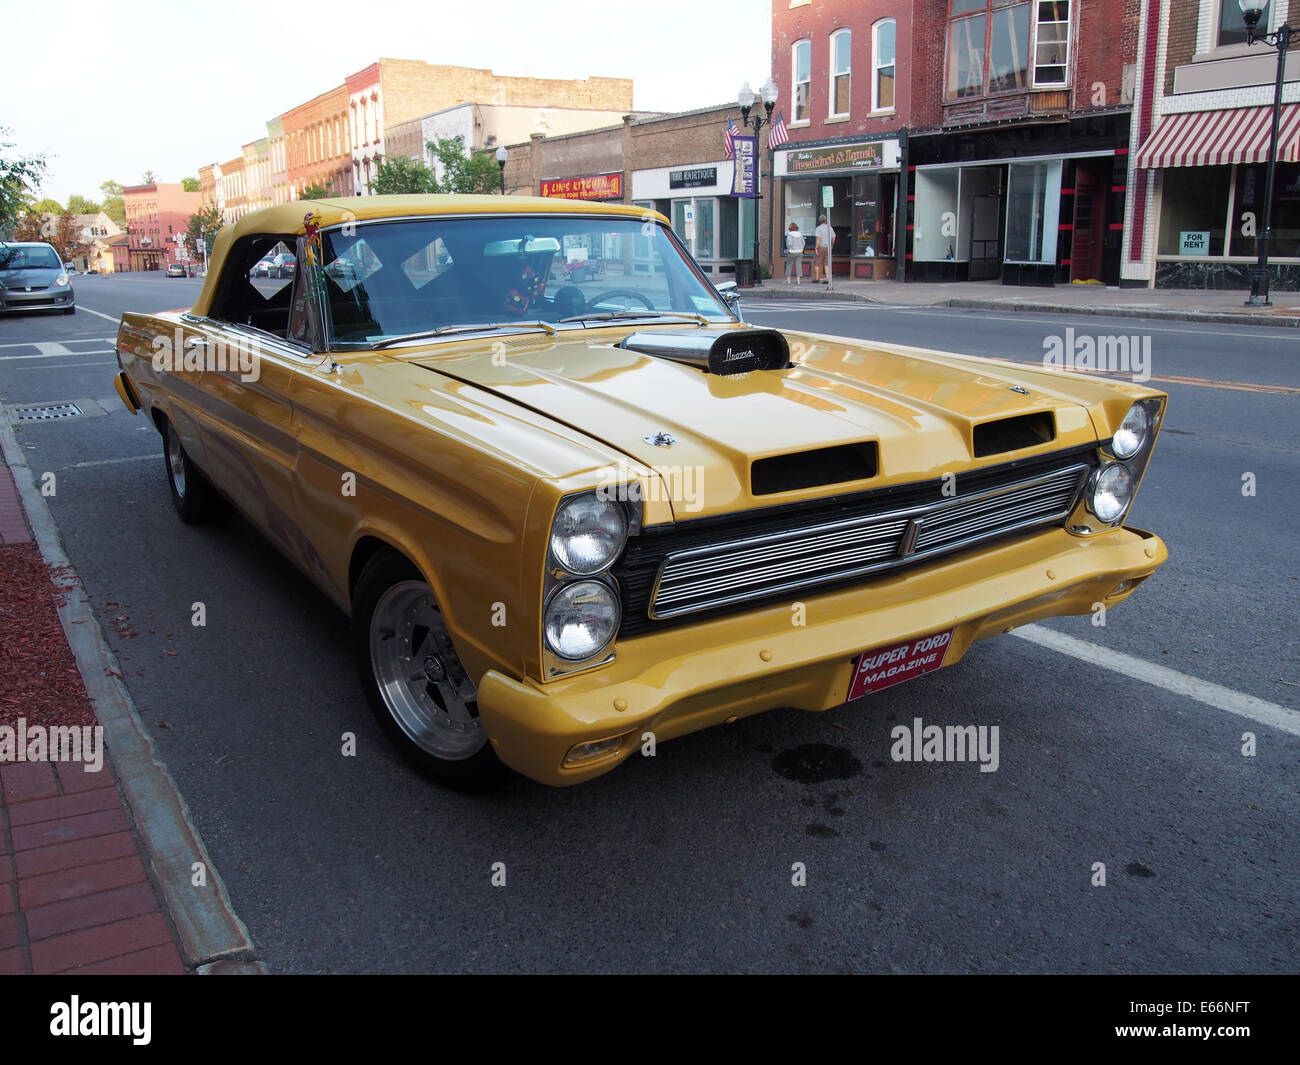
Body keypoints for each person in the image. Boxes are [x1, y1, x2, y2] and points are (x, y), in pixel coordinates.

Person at [813, 214, 835, 283]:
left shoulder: (818, 228)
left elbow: (818, 238)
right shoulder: (830, 228)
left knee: (817, 262)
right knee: (827, 264)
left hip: (821, 247)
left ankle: (817, 278)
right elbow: (833, 238)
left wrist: (816, 247)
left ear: (819, 221)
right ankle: (827, 279)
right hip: (828, 247)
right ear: (825, 221)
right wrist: (831, 245)